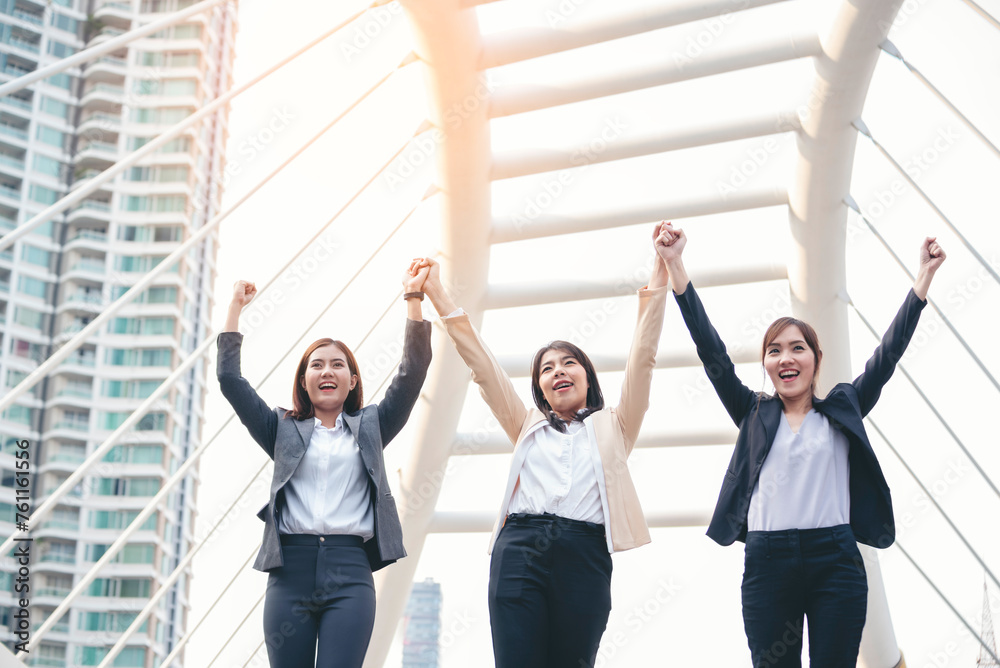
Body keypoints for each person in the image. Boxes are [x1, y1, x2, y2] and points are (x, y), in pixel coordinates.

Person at [655, 221, 946, 667]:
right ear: (767, 365)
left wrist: (923, 278)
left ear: (815, 360)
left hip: (836, 559)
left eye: (797, 348)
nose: (786, 358)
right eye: (774, 350)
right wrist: (676, 265)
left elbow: (886, 356)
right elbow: (711, 350)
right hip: (768, 561)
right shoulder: (753, 413)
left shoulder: (842, 408)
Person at [408, 223, 669, 668]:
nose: (558, 371)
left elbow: (642, 360)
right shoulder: (525, 424)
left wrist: (662, 271)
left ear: (588, 378)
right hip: (520, 549)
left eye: (570, 363)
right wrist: (437, 294)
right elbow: (484, 368)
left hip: (584, 555)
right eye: (547, 369)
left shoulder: (616, 427)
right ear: (541, 389)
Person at [216, 261, 432, 668]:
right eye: (316, 365)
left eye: (337, 365)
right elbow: (231, 381)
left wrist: (413, 298)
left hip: (350, 572)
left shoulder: (372, 427)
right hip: (289, 572)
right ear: (303, 381)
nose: (326, 371)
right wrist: (234, 309)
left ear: (352, 380)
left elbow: (412, 372)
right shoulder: (280, 429)